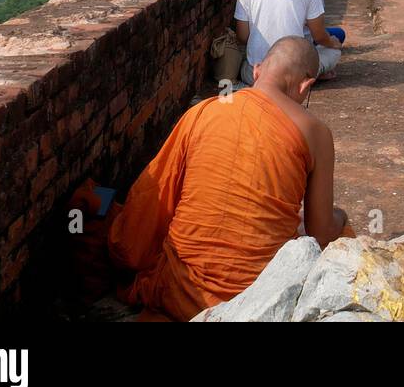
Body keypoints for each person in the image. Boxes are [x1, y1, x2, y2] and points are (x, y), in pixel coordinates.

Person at [108, 37, 352, 321]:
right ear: (304, 86)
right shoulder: (316, 133)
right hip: (257, 299)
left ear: (257, 70)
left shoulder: (204, 111)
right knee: (344, 235)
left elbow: (156, 194)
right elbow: (320, 233)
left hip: (179, 291)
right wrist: (340, 216)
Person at [234, 0, 345, 84]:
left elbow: (242, 37)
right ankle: (312, 75)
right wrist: (332, 43)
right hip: (294, 76)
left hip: (256, 75)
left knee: (245, 61)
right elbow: (318, 36)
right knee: (333, 51)